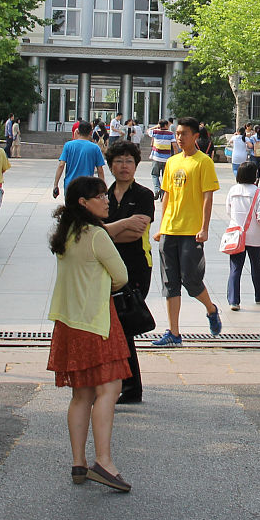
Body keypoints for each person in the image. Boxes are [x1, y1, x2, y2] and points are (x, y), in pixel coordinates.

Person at [46, 176, 134, 493]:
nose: (107, 200)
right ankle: (105, 462)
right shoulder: (97, 235)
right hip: (96, 322)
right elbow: (121, 276)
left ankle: (78, 462)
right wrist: (101, 287)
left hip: (68, 323)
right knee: (109, 389)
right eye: (100, 196)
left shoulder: (66, 232)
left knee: (81, 394)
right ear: (84, 203)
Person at [151, 117, 223, 347]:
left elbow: (208, 196)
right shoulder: (171, 162)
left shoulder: (203, 162)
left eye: (184, 134)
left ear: (195, 136)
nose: (179, 137)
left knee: (191, 280)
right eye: (178, 133)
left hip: (192, 231)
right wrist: (162, 227)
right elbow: (167, 196)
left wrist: (204, 227)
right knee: (170, 283)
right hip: (171, 230)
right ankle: (174, 333)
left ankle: (211, 310)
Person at [102, 142, 155, 405]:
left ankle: (132, 386)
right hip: (105, 269)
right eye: (119, 161)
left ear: (136, 165)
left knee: (123, 326)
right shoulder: (103, 194)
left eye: (129, 161)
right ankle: (121, 382)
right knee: (113, 327)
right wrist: (122, 224)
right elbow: (92, 229)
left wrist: (106, 229)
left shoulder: (144, 195)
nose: (124, 166)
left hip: (135, 268)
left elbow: (136, 232)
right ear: (110, 165)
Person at [225, 162, 260, 311]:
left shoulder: (233, 190)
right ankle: (259, 294)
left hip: (236, 235)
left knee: (235, 267)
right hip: (254, 236)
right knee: (256, 266)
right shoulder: (259, 192)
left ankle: (234, 300)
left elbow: (228, 210)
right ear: (254, 175)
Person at [54, 122, 106, 196]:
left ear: (78, 131)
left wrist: (55, 185)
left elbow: (61, 165)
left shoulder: (68, 145)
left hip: (70, 184)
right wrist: (102, 188)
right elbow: (100, 170)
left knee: (70, 206)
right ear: (91, 132)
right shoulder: (95, 148)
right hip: (87, 185)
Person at [147, 120, 175, 199]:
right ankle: (163, 194)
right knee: (165, 177)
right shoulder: (170, 134)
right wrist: (176, 156)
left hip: (156, 158)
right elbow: (175, 145)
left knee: (154, 175)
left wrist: (156, 126)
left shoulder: (155, 132)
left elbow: (148, 130)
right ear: (166, 125)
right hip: (166, 159)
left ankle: (157, 189)